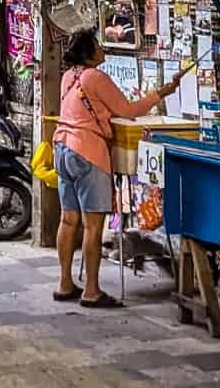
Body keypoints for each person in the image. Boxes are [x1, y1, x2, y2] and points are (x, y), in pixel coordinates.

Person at [51, 28, 187, 308]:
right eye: (98, 46)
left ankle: (65, 284)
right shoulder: (96, 78)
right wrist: (161, 93)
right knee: (92, 226)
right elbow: (128, 111)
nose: (103, 49)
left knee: (68, 220)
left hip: (62, 148)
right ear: (89, 53)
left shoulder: (68, 77)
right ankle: (91, 290)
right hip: (88, 151)